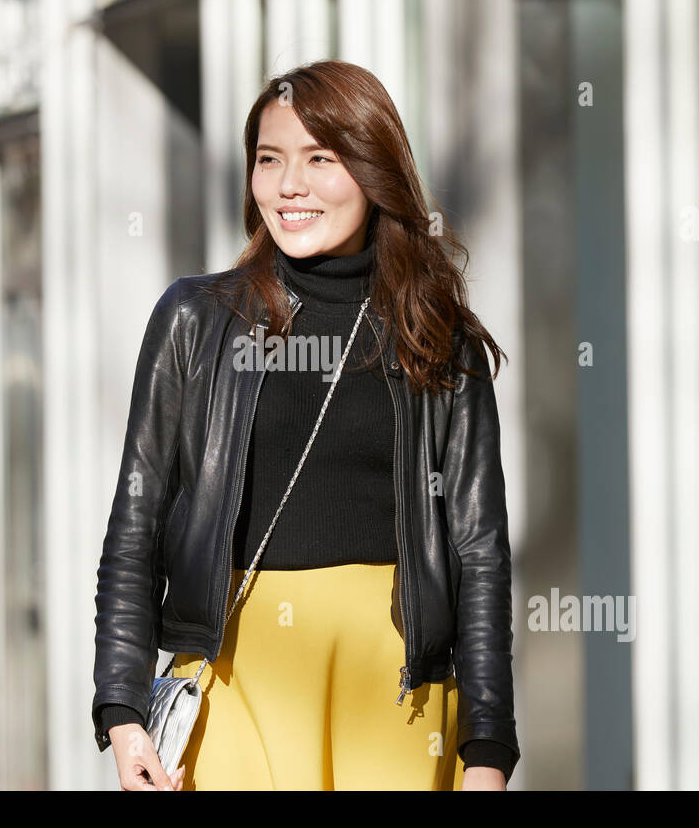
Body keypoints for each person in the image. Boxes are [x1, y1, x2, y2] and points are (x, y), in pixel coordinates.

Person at [90, 59, 520, 790]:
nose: (288, 186)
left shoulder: (436, 334)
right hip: (236, 687)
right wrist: (123, 708)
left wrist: (487, 749)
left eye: (320, 159)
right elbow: (136, 521)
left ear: (374, 167)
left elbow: (479, 552)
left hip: (397, 697)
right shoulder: (197, 320)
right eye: (269, 160)